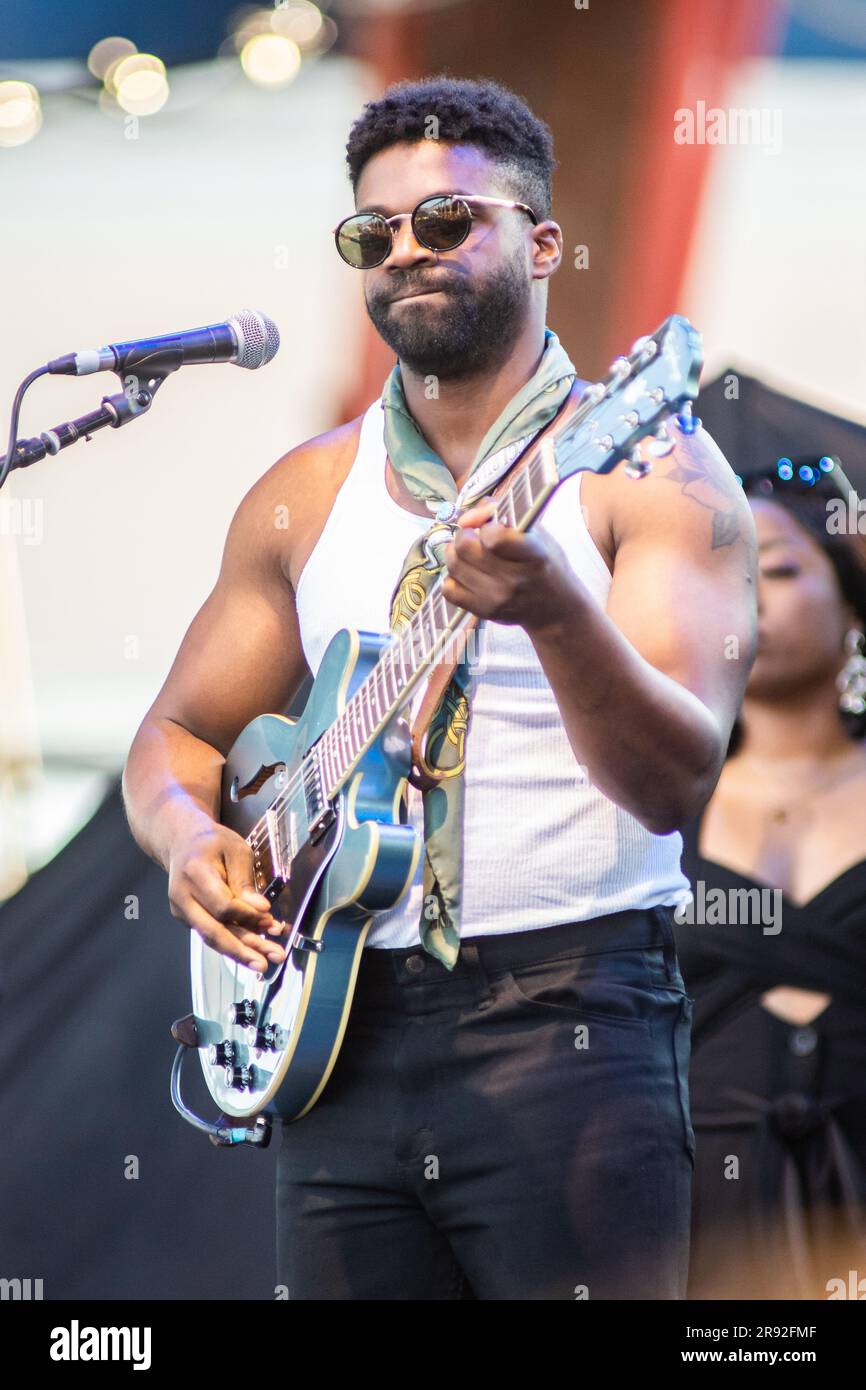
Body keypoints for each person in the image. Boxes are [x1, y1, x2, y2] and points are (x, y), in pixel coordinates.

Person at [121, 75, 756, 1300]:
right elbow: (178, 733)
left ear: (544, 241)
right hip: (333, 1031)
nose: (407, 249)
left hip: (567, 1018)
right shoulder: (303, 493)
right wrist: (188, 834)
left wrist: (557, 612)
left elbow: (676, 782)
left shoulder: (648, 467)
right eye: (375, 233)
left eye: (449, 220)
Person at [675, 461, 866, 1298]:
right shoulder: (652, 805)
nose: (747, 597)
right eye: (723, 575)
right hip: (697, 1220)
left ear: (853, 608)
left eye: (780, 569)